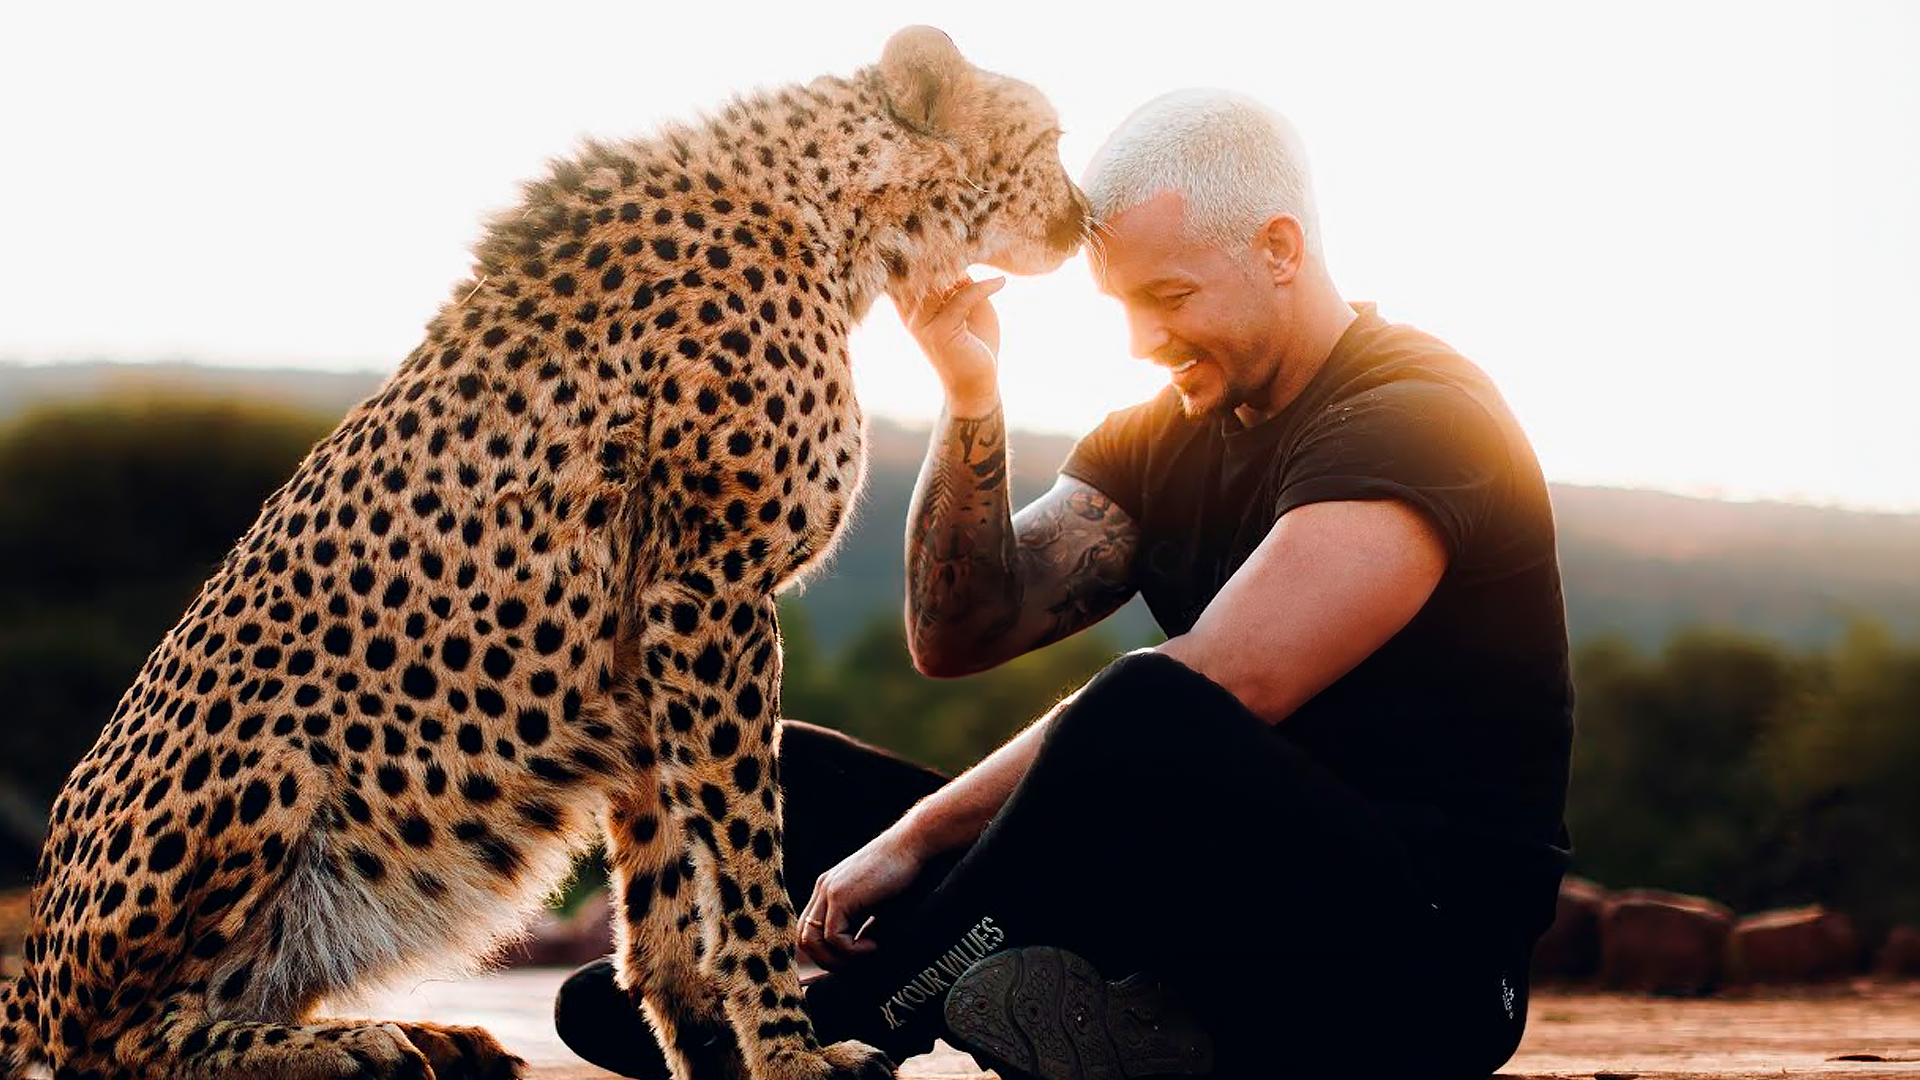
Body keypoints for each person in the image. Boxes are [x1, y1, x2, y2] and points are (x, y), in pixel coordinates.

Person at [554, 89, 1574, 1080]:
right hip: (1193, 897)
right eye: (1123, 304)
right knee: (771, 768)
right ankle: (1124, 1017)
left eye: (1169, 297)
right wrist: (970, 394)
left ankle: (864, 1016)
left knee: (1148, 703)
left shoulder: (1419, 413)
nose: (1142, 340)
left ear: (1278, 249)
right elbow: (959, 630)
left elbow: (1231, 682)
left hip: (1420, 967)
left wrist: (912, 841)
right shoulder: (1166, 432)